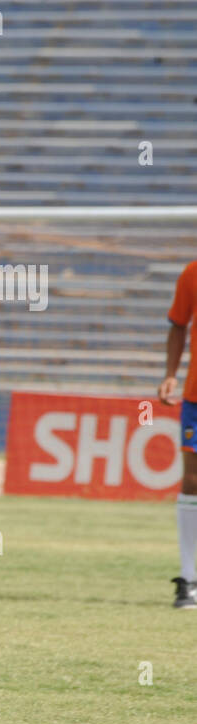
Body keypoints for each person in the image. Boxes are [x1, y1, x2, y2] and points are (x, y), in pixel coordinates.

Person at [158, 259, 197, 608]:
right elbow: (178, 325)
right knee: (193, 481)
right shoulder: (191, 272)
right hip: (196, 397)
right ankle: (189, 579)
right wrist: (170, 373)